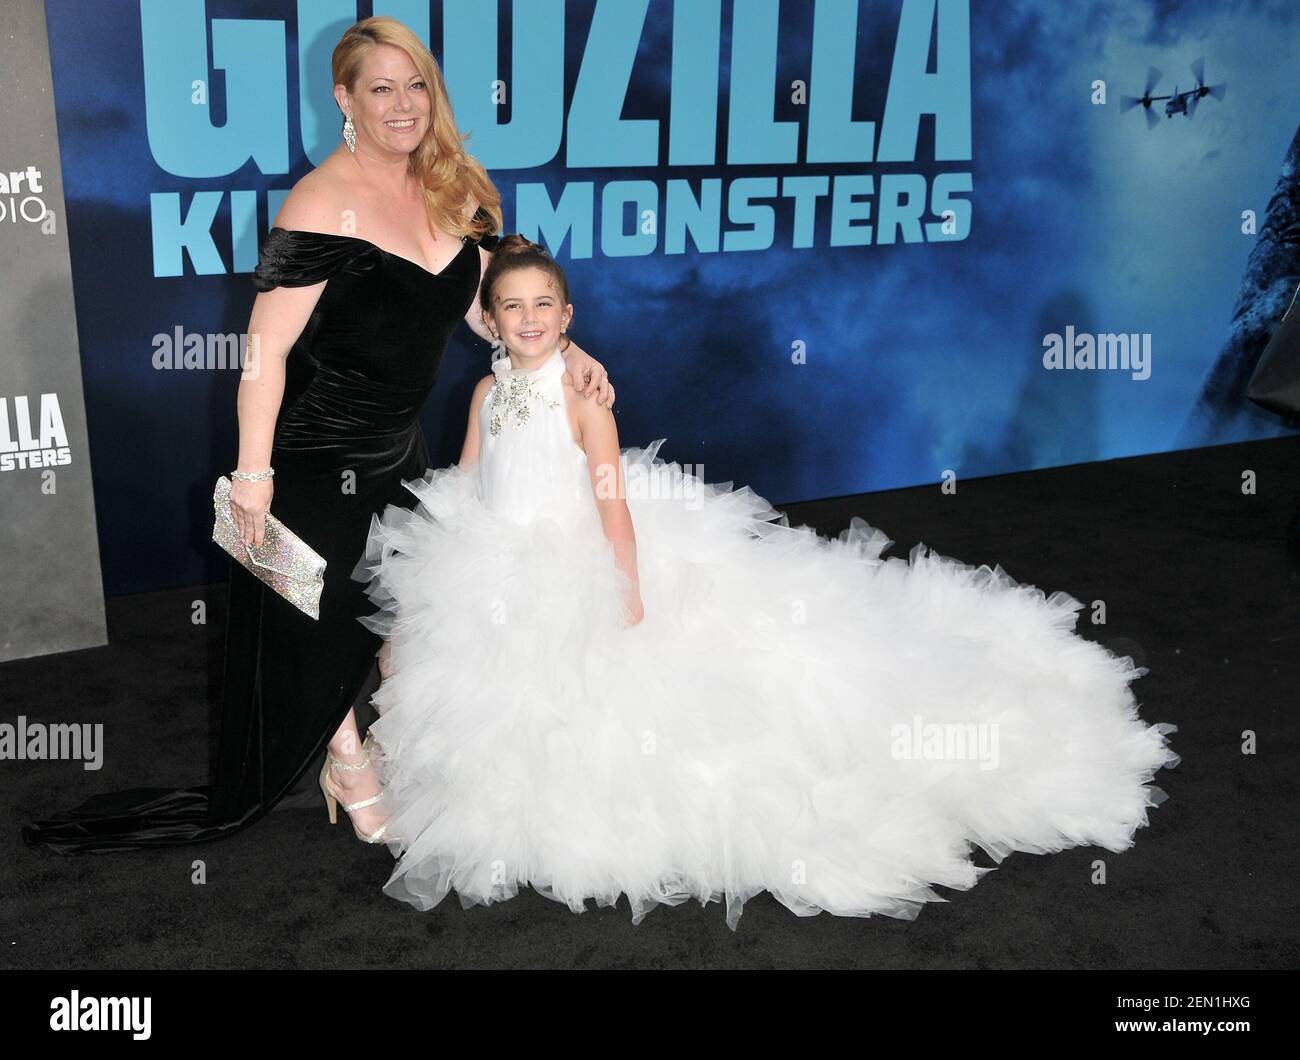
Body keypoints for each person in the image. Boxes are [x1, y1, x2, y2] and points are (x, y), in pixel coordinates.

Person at [350, 236, 1180, 931]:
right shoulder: (490, 390)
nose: (527, 321)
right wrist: (437, 559)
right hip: (493, 559)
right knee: (486, 689)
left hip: (572, 557)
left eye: (544, 307)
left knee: (596, 693)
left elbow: (610, 497)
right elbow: (466, 473)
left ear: (567, 319)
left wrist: (625, 582)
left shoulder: (583, 401)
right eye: (512, 308)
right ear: (488, 321)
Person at [21, 17, 612, 854]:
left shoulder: (459, 189)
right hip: (312, 450)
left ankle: (394, 752)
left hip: (397, 447)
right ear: (344, 97)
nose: (402, 106)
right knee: (312, 613)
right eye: (381, 88)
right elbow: (264, 352)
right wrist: (252, 476)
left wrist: (571, 348)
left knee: (393, 617)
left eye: (416, 86)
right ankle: (347, 762)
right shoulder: (318, 200)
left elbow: (487, 308)